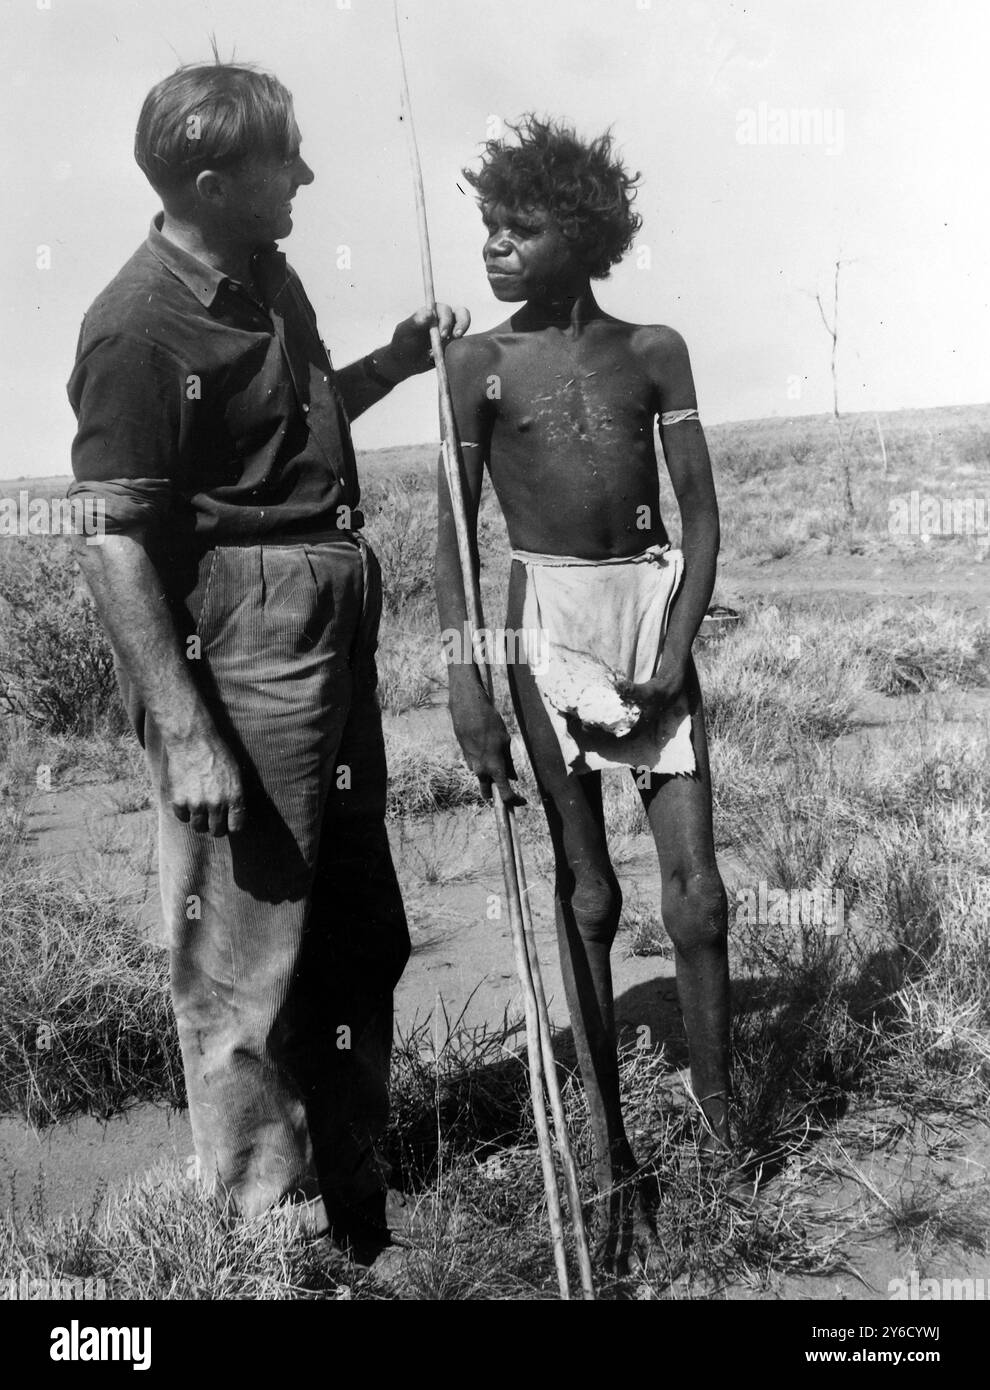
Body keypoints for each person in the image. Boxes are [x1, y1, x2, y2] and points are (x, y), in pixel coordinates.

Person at [67, 61, 469, 1259]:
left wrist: (393, 361)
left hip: (324, 613)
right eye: (282, 161)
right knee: (245, 962)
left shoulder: (265, 278)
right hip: (235, 637)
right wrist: (185, 725)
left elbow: (292, 433)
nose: (305, 176)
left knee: (358, 929)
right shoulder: (137, 325)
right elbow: (109, 540)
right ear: (208, 182)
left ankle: (354, 1206)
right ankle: (260, 1238)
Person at [435, 116, 731, 1269]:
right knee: (589, 891)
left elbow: (700, 515)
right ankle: (614, 1159)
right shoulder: (475, 366)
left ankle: (719, 1141)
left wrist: (677, 642)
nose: (497, 247)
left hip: (650, 610)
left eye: (521, 227)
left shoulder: (654, 349)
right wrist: (470, 683)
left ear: (588, 229)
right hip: (542, 620)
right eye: (488, 228)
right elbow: (454, 540)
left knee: (697, 898)